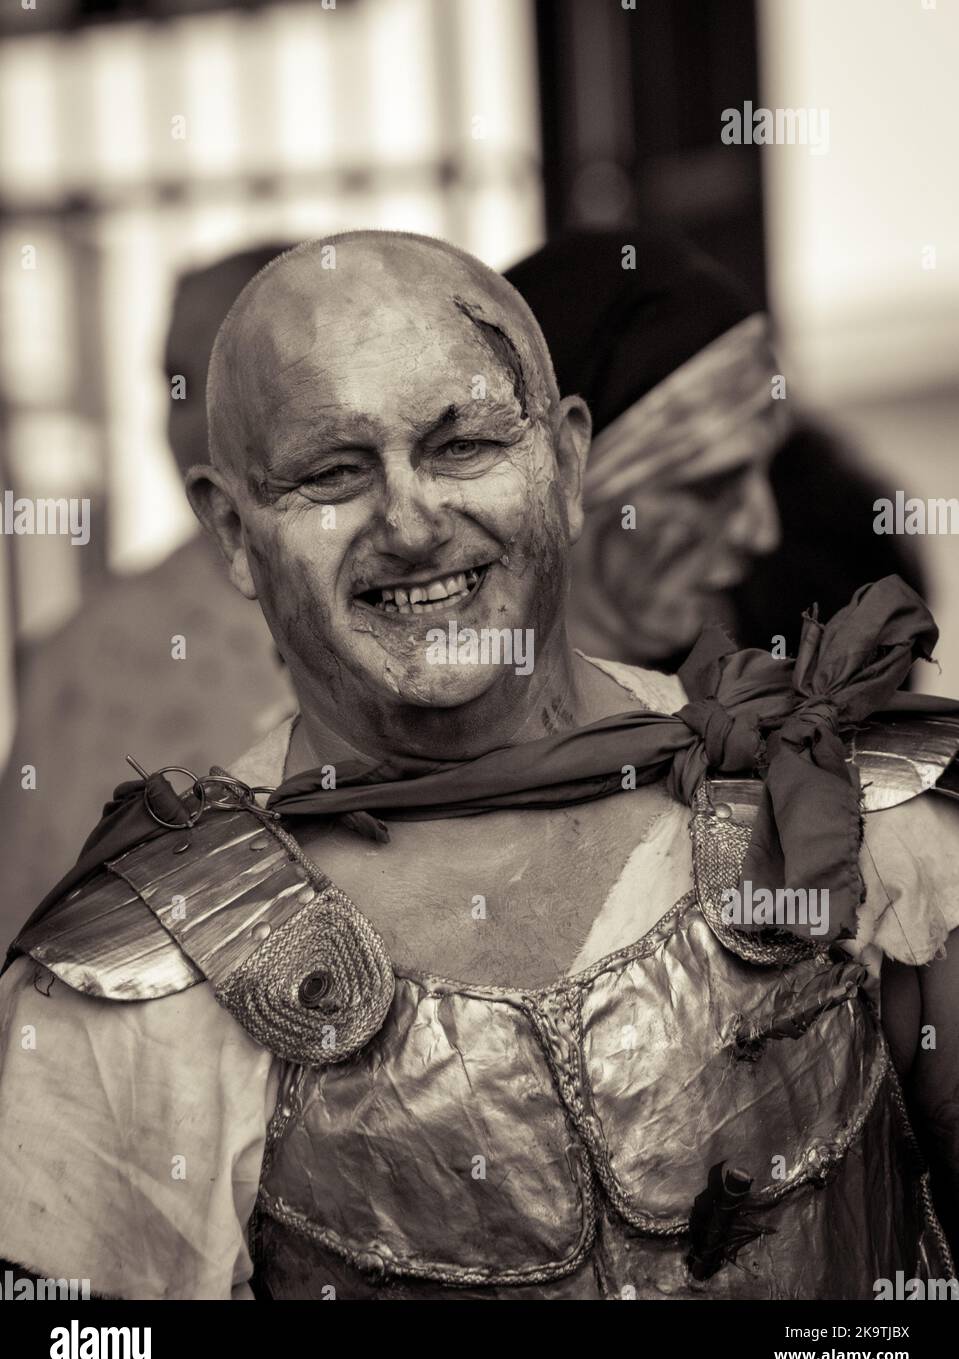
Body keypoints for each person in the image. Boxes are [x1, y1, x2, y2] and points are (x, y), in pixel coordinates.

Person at [0, 231, 957, 1300]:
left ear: (568, 459)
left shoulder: (843, 804)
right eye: (331, 472)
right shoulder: (135, 979)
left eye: (463, 448)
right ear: (232, 531)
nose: (411, 525)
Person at [0, 246, 294, 955]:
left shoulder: (434, 620)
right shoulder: (88, 655)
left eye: (238, 378)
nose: (195, 421)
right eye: (177, 382)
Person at [506, 229, 926, 670]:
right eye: (709, 486)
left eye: (771, 469)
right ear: (569, 472)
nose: (764, 532)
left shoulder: (766, 685)